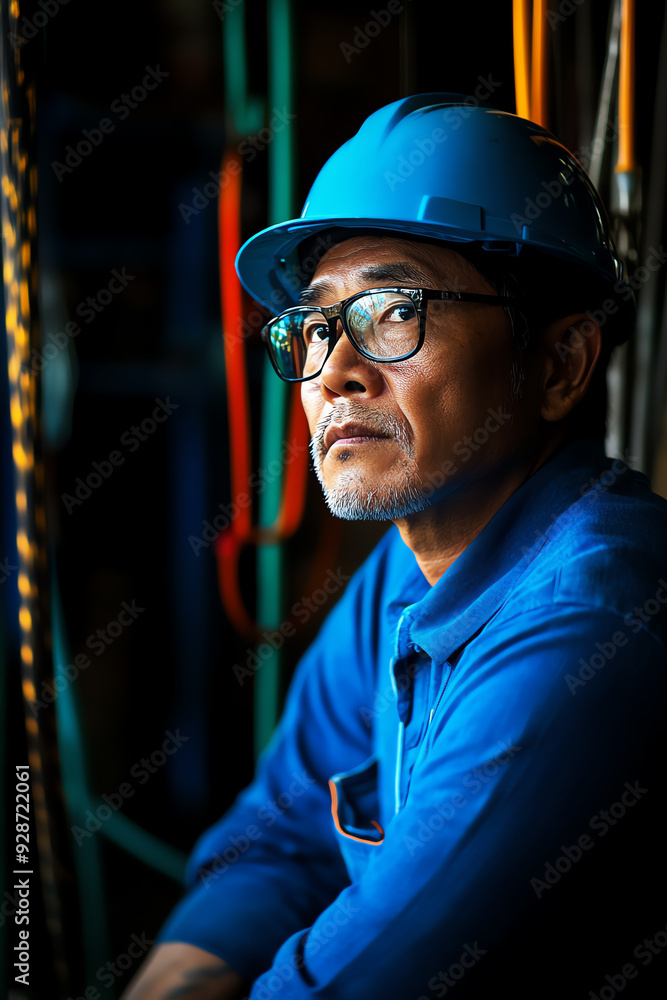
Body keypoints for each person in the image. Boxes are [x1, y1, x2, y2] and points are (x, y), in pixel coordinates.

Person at [123, 94, 667, 1000]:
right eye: (313, 324)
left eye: (392, 311)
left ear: (561, 364)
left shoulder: (591, 625)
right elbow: (282, 836)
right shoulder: (404, 581)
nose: (334, 368)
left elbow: (365, 980)